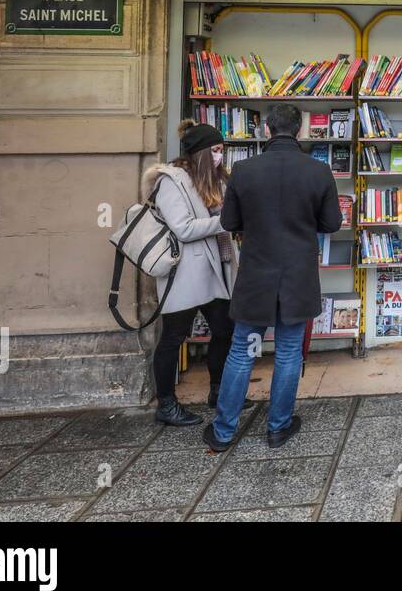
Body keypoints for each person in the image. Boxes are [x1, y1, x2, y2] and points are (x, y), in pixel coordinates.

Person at [206, 103, 341, 451]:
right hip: (297, 274)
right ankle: (278, 427)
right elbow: (332, 224)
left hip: (256, 273)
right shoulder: (318, 171)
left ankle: (224, 431)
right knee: (289, 350)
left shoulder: (244, 170)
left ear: (266, 129)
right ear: (299, 131)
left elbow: (229, 223)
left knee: (241, 350)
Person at [143, 120, 236, 426]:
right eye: (217, 150)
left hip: (215, 270)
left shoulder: (215, 180)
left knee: (224, 330)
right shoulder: (172, 181)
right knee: (173, 336)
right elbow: (182, 228)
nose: (221, 156)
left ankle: (219, 390)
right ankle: (167, 404)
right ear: (202, 153)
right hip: (186, 272)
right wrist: (226, 221)